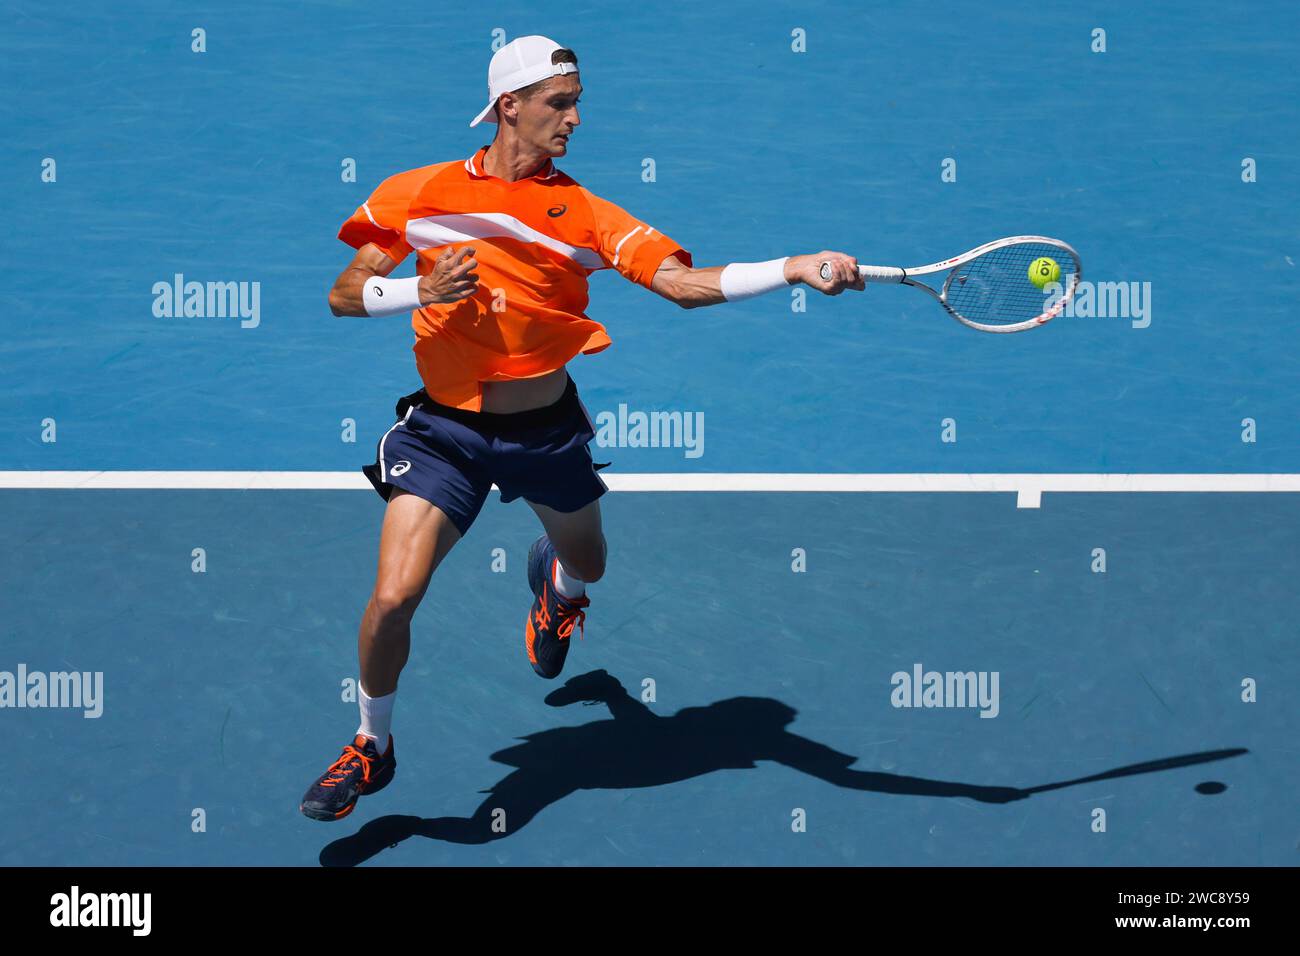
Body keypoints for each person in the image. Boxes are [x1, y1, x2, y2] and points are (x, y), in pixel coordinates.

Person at [300, 34, 865, 821]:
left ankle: (558, 590)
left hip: (545, 434)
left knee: (590, 563)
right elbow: (344, 292)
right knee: (394, 597)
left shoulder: (585, 213)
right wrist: (418, 295)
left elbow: (682, 285)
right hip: (445, 434)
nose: (573, 120)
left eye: (576, 105)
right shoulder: (416, 194)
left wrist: (793, 266)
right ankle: (372, 744)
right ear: (510, 106)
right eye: (558, 105)